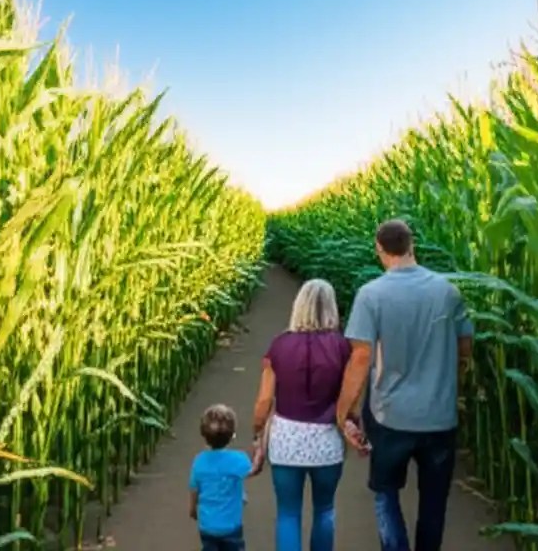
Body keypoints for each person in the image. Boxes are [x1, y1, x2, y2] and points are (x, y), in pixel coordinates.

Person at [336, 219, 473, 551]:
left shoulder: (371, 295)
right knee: (434, 502)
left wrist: (344, 413)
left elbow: (360, 358)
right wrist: (450, 383)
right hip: (440, 417)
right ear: (413, 246)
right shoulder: (447, 291)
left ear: (380, 250)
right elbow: (465, 346)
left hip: (390, 416)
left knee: (385, 492)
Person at [250, 279, 364, 551]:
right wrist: (353, 424)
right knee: (324, 510)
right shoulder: (343, 347)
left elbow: (265, 400)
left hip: (287, 439)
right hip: (327, 441)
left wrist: (257, 434)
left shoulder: (279, 345)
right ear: (332, 308)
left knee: (288, 513)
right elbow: (352, 396)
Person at [190, 404, 255, 550]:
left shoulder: (199, 461)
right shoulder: (239, 459)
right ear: (232, 435)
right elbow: (253, 469)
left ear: (204, 436)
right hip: (231, 526)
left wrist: (193, 509)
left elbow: (194, 489)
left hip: (207, 525)